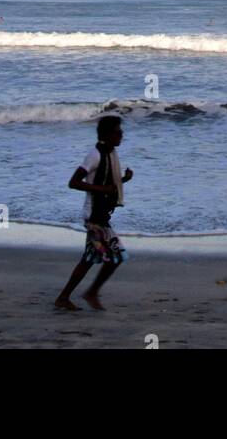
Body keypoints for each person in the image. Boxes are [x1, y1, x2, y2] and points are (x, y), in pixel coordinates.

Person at [54, 114, 133, 312]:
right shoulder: (95, 155)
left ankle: (65, 297)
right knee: (116, 257)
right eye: (117, 131)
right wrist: (102, 189)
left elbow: (106, 184)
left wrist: (123, 180)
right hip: (94, 218)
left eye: (121, 131)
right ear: (106, 134)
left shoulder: (110, 154)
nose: (121, 134)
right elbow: (74, 182)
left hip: (100, 216)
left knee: (89, 259)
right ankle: (89, 293)